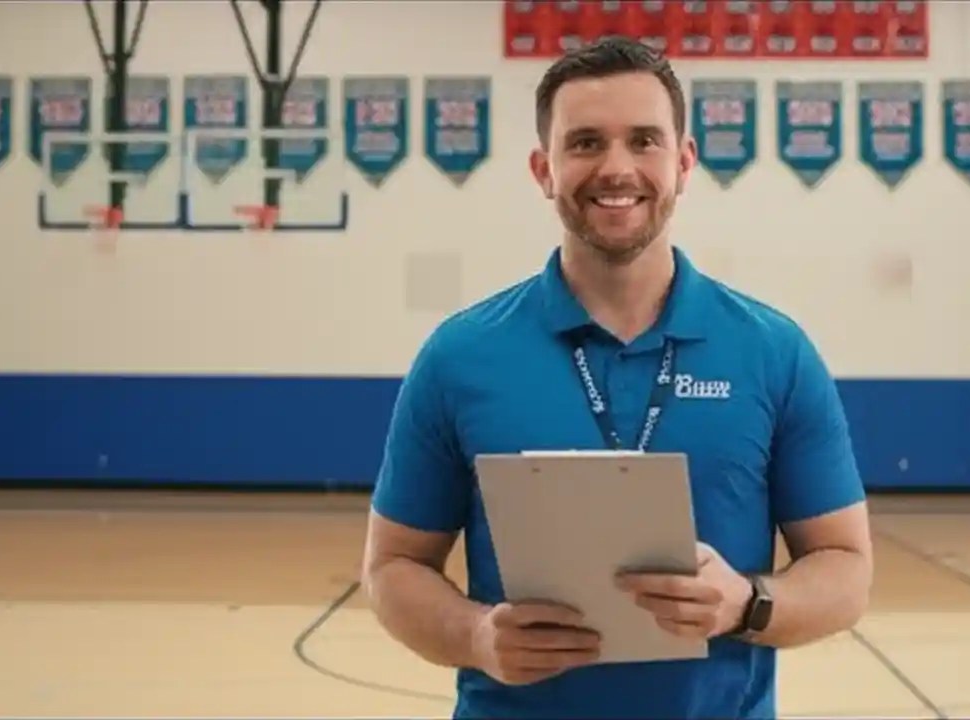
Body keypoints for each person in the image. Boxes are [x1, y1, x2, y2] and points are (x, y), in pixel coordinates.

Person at [361, 36, 872, 720]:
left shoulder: (773, 351)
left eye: (644, 140)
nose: (617, 168)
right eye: (585, 143)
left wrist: (746, 602)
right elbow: (393, 567)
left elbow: (845, 569)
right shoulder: (460, 356)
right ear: (543, 169)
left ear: (684, 161)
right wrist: (475, 636)